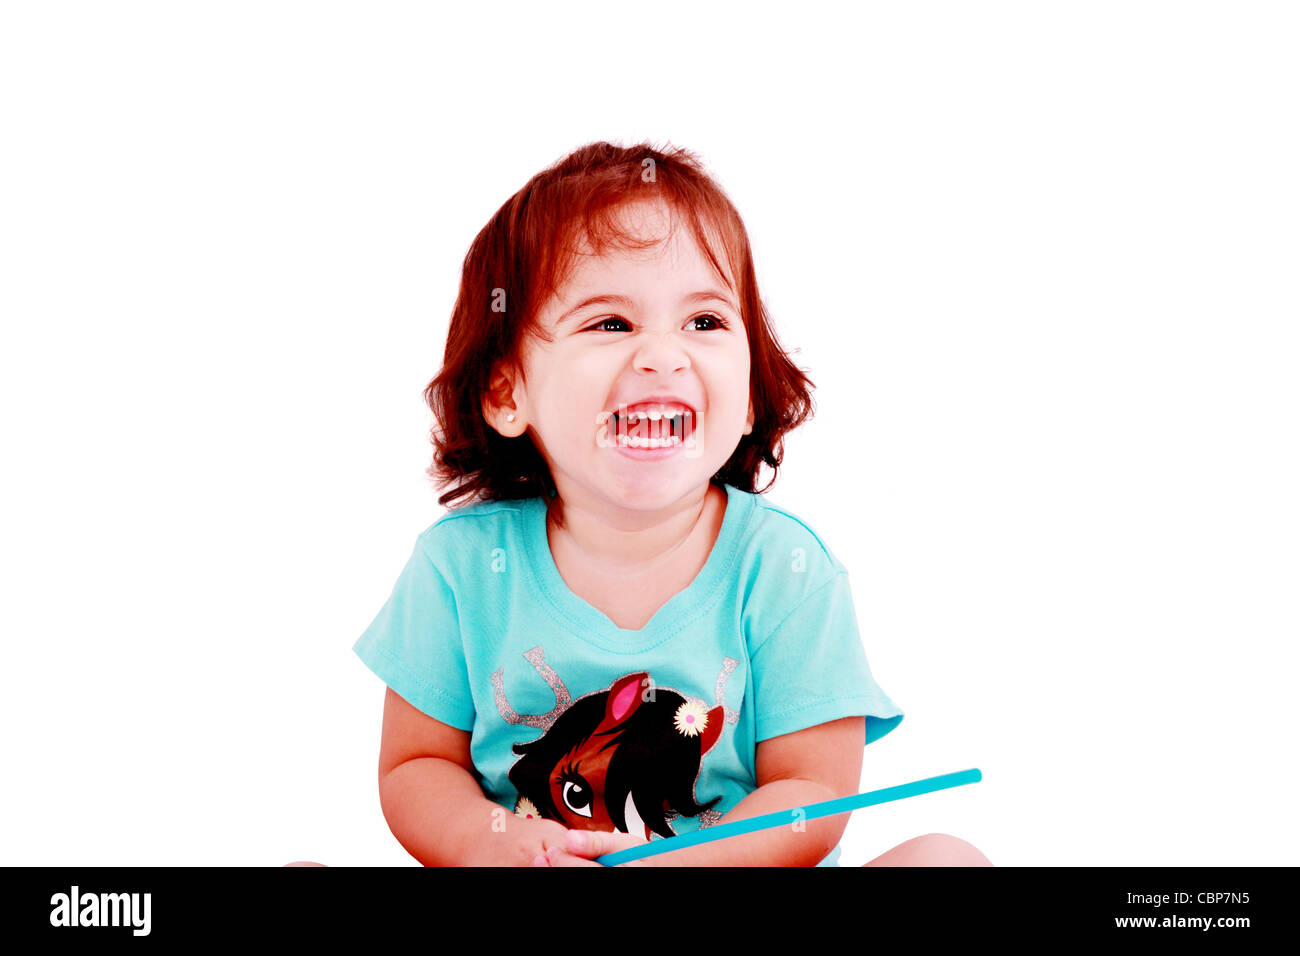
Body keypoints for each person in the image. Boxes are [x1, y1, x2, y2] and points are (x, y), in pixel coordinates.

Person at [348, 141, 991, 867]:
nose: (664, 355)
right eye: (611, 324)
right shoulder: (459, 567)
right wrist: (490, 843)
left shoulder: (784, 568)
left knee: (946, 858)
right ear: (507, 393)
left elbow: (813, 789)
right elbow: (415, 768)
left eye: (706, 323)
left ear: (748, 393)